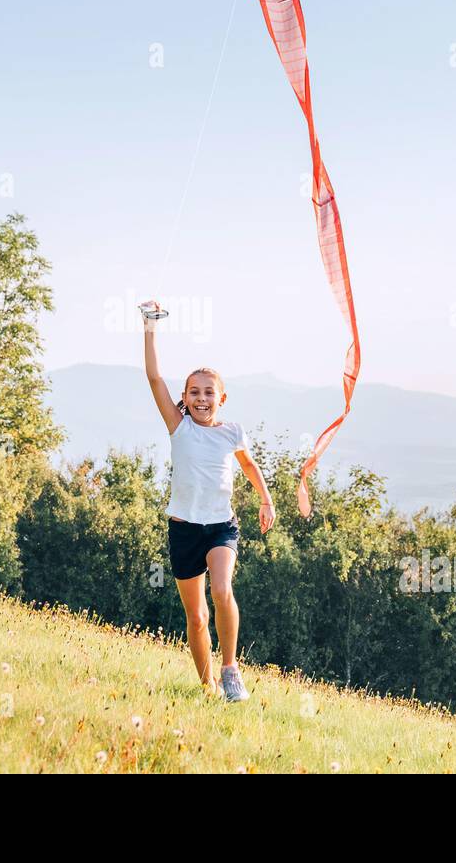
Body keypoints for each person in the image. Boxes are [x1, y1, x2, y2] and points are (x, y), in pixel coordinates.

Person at [140, 300, 275, 702]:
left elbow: (249, 467)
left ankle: (230, 669)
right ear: (184, 396)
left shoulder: (231, 432)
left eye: (209, 392)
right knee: (197, 617)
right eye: (194, 392)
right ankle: (207, 684)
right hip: (183, 529)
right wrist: (149, 327)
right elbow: (152, 377)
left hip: (221, 527)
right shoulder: (178, 426)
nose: (201, 398)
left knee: (221, 590)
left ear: (222, 398)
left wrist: (266, 500)